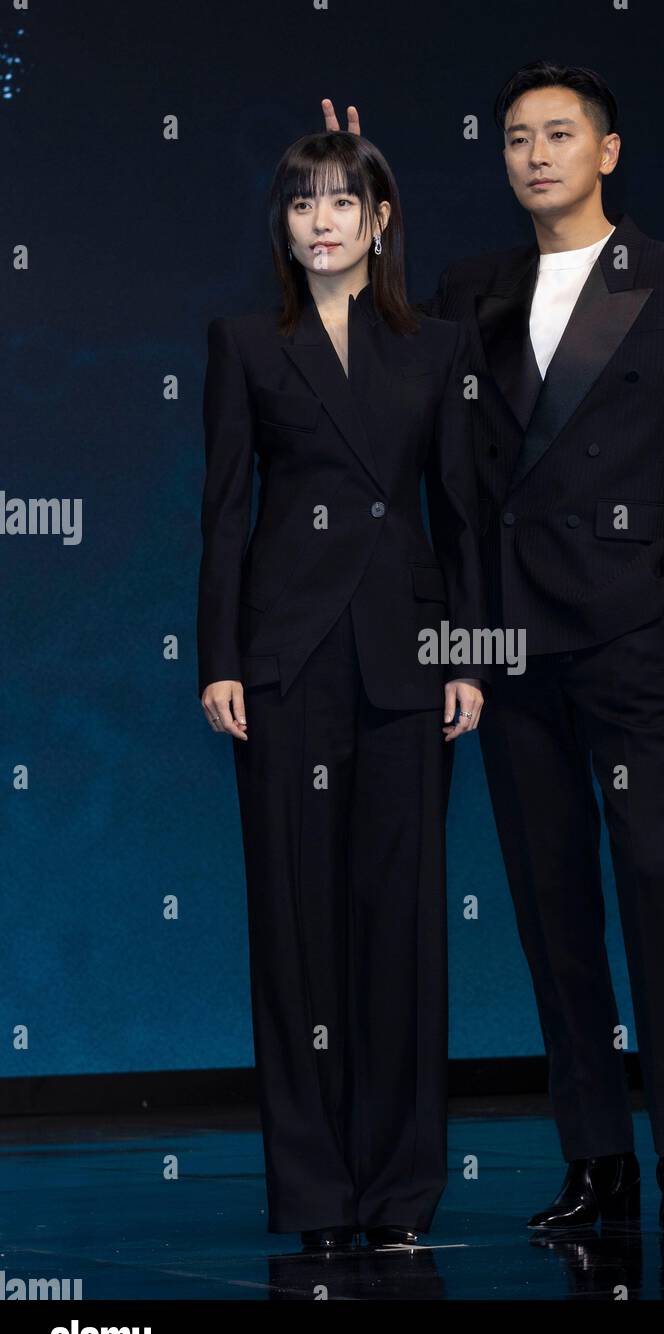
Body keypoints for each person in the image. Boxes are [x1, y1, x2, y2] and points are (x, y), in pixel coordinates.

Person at [323, 58, 664, 1235]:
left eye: (558, 135)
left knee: (650, 891)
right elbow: (382, 352)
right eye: (515, 138)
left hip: (623, 636)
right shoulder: (475, 286)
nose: (535, 155)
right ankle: (595, 1160)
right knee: (548, 909)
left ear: (605, 152)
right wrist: (355, 187)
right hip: (505, 643)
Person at [196, 131, 488, 1251]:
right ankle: (315, 1199)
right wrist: (219, 655)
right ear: (281, 227)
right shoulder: (242, 343)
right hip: (282, 662)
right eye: (301, 205)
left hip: (410, 663)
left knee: (401, 930)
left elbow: (460, 512)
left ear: (378, 222)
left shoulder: (439, 346)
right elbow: (223, 511)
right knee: (294, 930)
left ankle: (398, 1197)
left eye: (342, 203)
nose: (321, 222)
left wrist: (472, 652)